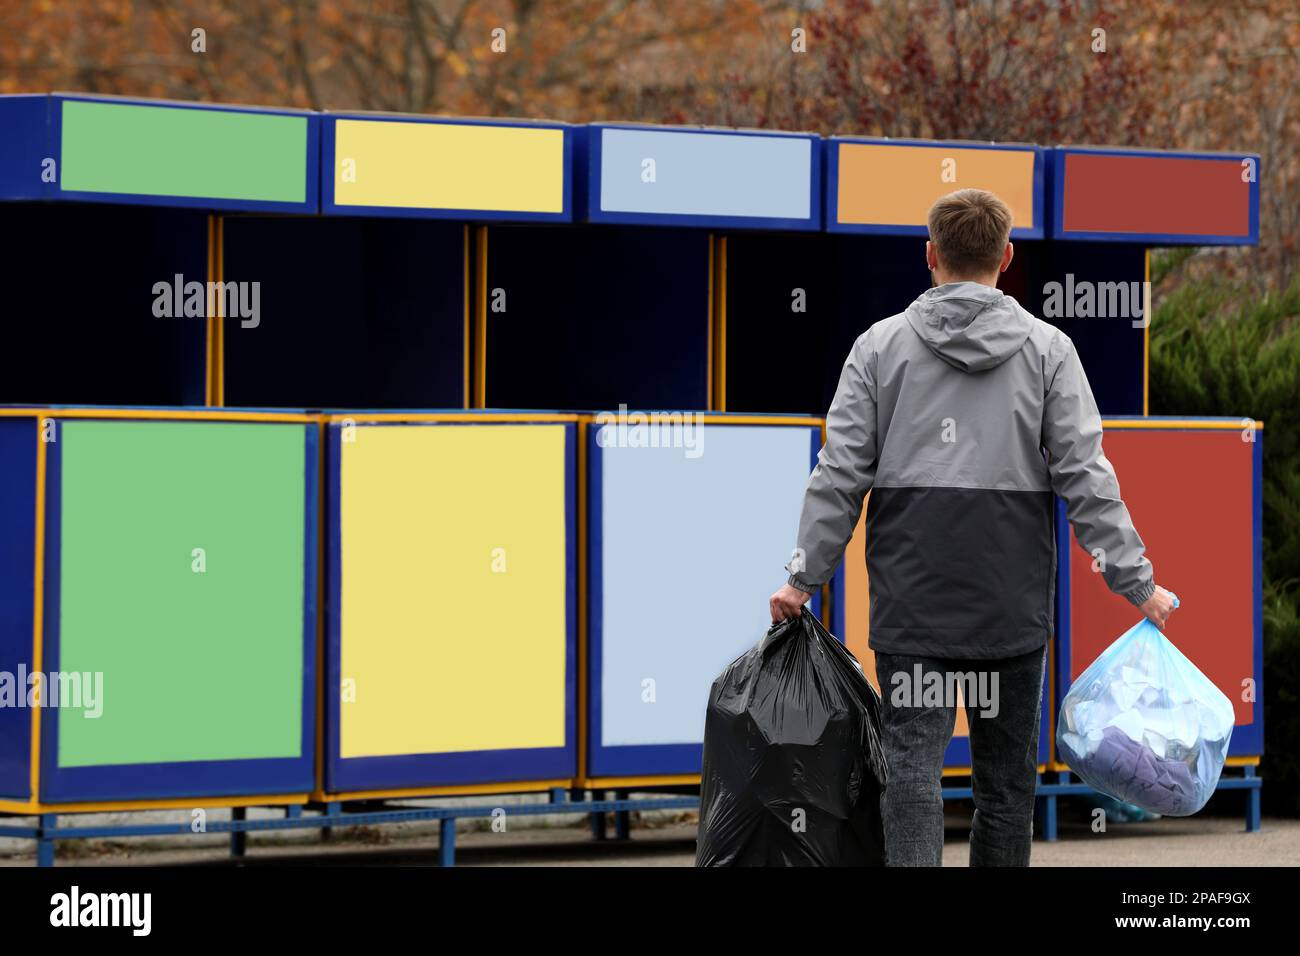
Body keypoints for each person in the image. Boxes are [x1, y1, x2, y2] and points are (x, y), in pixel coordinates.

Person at [768, 188, 1177, 866]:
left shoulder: (879, 349)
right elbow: (1087, 478)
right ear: (1007, 258)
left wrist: (801, 579)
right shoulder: (1049, 350)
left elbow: (838, 475)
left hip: (913, 605)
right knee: (1007, 785)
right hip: (1009, 612)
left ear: (930, 255)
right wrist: (1140, 586)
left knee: (910, 774)